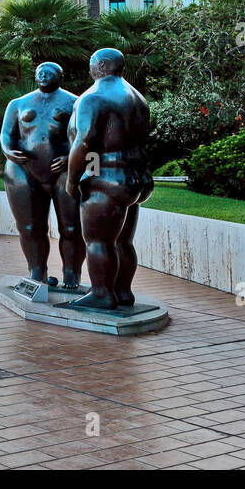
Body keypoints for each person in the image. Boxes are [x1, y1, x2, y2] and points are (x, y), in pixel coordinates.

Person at [65, 48, 154, 310]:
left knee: (99, 241)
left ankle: (102, 294)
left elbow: (84, 142)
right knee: (123, 241)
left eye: (92, 64)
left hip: (106, 176)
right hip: (136, 178)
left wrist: (72, 180)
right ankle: (123, 292)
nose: (90, 69)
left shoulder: (92, 97)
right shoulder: (137, 98)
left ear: (102, 65)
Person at [0, 62, 84, 289]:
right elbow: (6, 134)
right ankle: (37, 273)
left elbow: (85, 138)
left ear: (60, 76)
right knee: (29, 227)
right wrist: (8, 150)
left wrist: (69, 158)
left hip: (63, 171)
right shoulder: (18, 103)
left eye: (50, 73)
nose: (44, 75)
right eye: (40, 73)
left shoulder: (76, 102)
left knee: (72, 228)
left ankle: (71, 275)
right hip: (24, 171)